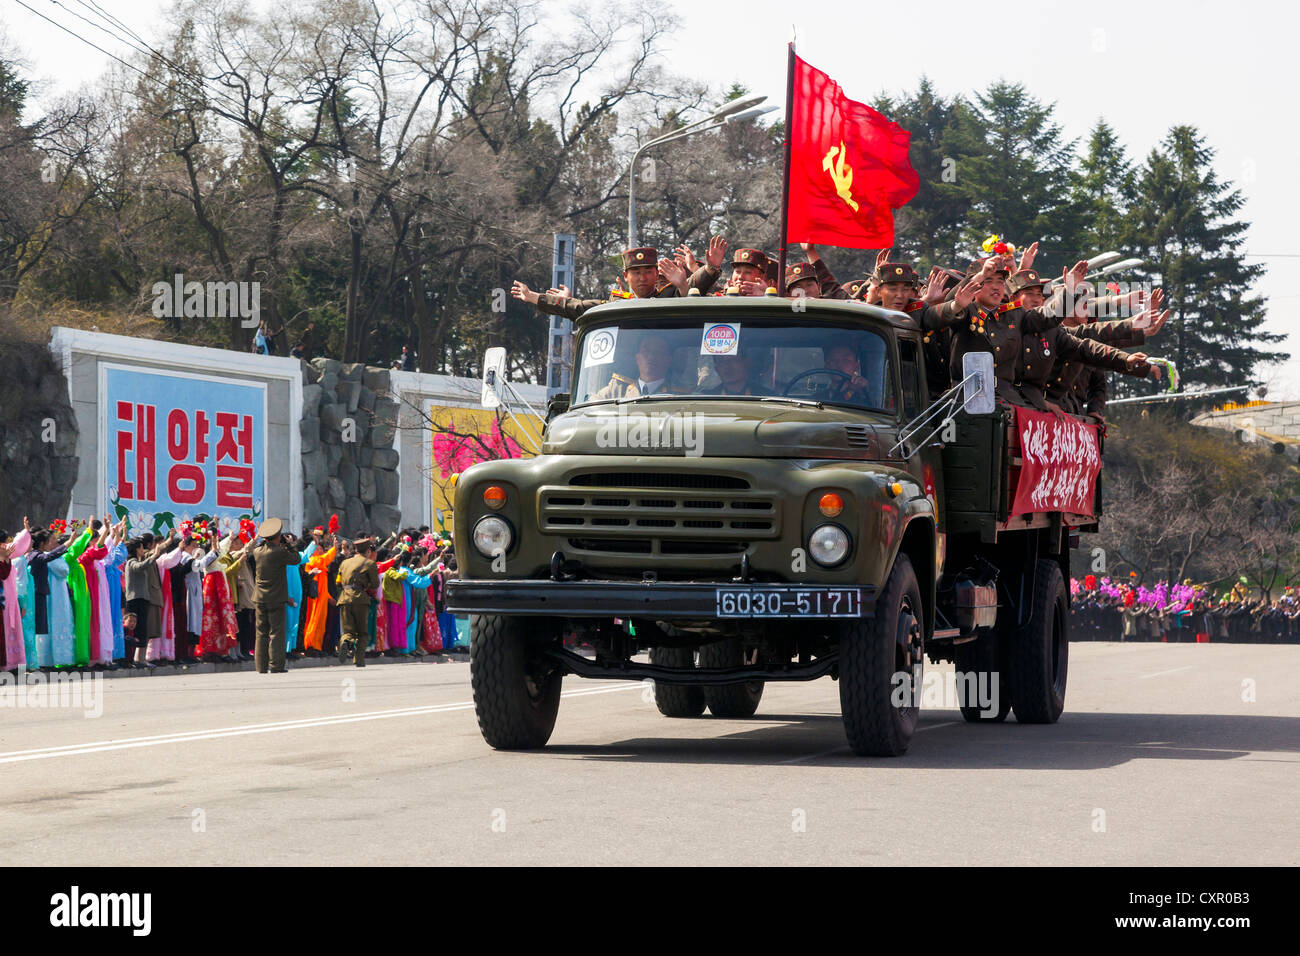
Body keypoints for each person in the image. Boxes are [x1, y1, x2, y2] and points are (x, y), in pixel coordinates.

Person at [251, 518, 303, 674]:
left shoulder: (257, 551)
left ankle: (261, 666)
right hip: (276, 597)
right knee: (277, 632)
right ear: (278, 537)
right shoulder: (280, 552)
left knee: (261, 633)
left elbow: (262, 546)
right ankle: (276, 665)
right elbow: (296, 559)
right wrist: (290, 545)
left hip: (260, 598)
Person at [590, 334, 689, 400]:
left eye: (658, 352)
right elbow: (590, 408)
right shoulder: (618, 389)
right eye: (646, 351)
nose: (651, 357)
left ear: (668, 360)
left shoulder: (680, 396)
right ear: (637, 358)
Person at [337, 538, 380, 667]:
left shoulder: (344, 563)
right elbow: (375, 584)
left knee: (347, 630)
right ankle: (359, 660)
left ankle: (345, 642)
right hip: (360, 599)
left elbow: (338, 582)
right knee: (362, 632)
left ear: (355, 550)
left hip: (344, 598)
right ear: (368, 550)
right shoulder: (370, 564)